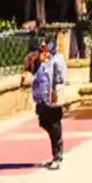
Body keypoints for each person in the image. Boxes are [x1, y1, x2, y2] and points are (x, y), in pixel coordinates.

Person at [22, 39, 67, 170]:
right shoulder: (35, 63)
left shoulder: (53, 60)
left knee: (54, 125)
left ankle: (57, 156)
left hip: (51, 98)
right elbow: (30, 74)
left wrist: (56, 92)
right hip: (41, 99)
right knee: (44, 123)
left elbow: (58, 77)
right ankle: (57, 151)